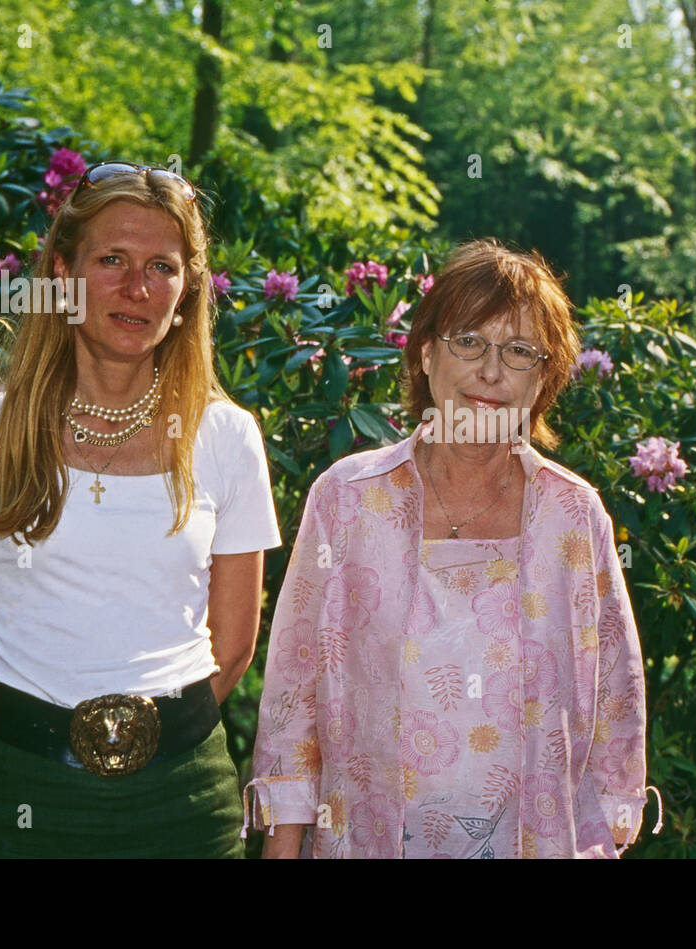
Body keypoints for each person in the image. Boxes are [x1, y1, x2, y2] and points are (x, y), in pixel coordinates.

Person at [0, 162, 282, 858]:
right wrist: (21, 764)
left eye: (161, 267)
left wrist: (144, 755)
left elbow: (233, 645)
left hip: (185, 803)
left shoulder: (228, 437)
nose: (136, 288)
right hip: (18, 797)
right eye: (111, 258)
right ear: (62, 271)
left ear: (188, 288)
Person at [246, 240, 648, 858]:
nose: (490, 371)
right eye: (469, 342)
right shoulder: (348, 500)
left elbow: (614, 717)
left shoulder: (573, 515)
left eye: (519, 352)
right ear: (427, 354)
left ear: (544, 379)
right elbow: (294, 700)